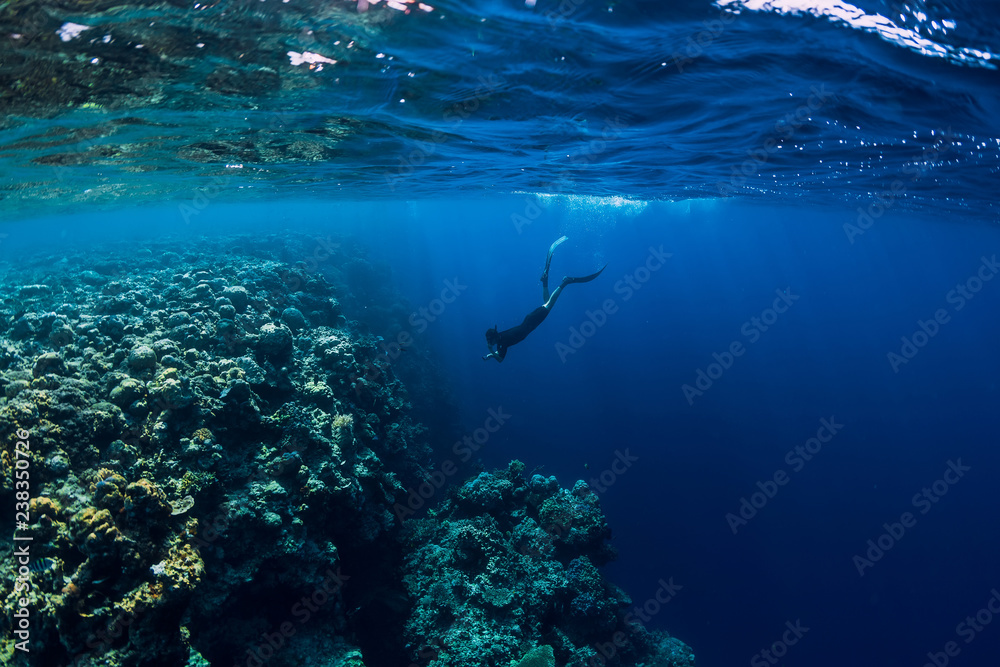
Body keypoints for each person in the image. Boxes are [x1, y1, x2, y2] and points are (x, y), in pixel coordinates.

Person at [483, 236, 605, 363]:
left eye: (488, 341)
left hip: (532, 321)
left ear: (493, 339)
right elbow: (500, 351)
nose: (488, 343)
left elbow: (500, 359)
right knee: (546, 302)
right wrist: (490, 355)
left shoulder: (501, 343)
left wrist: (491, 352)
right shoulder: (501, 340)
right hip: (529, 320)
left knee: (549, 304)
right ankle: (545, 281)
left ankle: (565, 282)